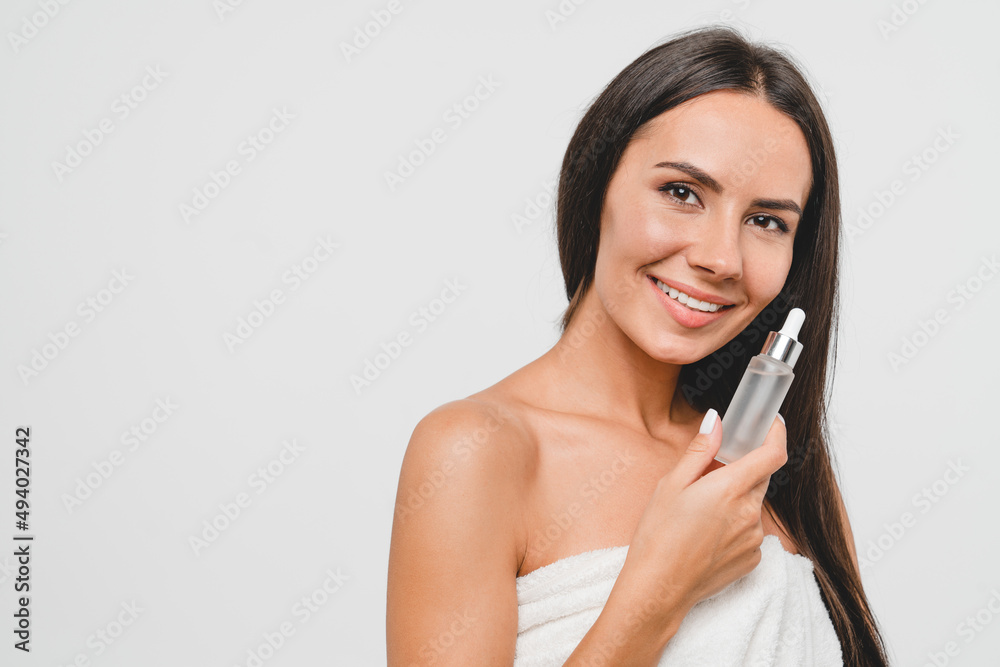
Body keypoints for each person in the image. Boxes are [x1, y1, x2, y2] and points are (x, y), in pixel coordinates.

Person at [386, 24, 890, 666]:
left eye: (766, 221)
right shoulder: (479, 451)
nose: (720, 258)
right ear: (597, 186)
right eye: (682, 193)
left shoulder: (781, 470)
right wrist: (662, 588)